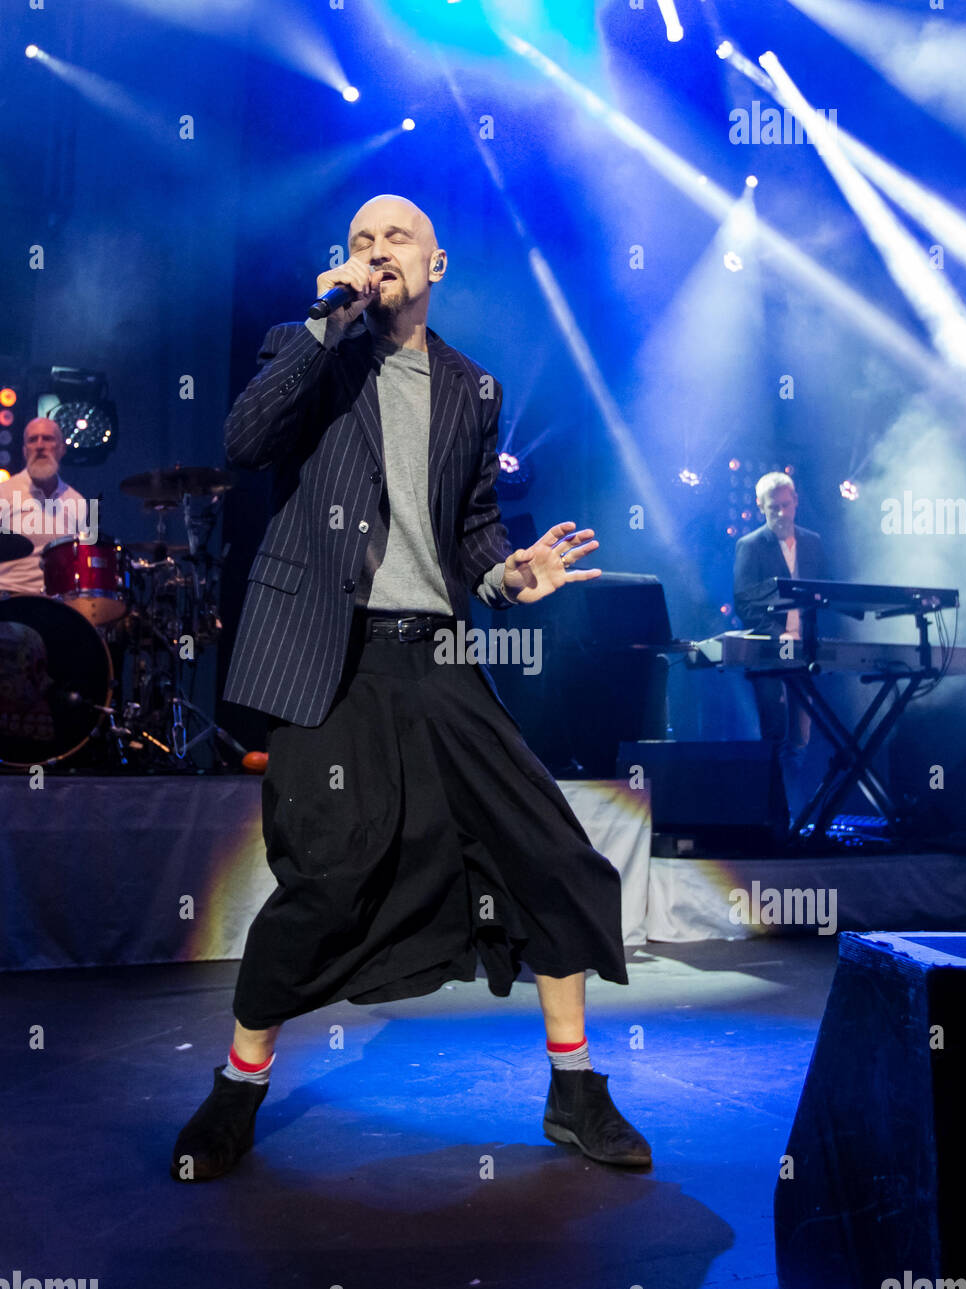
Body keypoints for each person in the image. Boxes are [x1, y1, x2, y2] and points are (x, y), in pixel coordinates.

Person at [170, 194, 651, 1183]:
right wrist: (321, 321)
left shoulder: (472, 388)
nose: (374, 251)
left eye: (394, 239)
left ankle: (573, 1087)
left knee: (548, 849)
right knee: (329, 874)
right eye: (357, 241)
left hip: (435, 653)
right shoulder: (310, 352)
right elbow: (246, 442)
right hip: (330, 652)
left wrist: (510, 575)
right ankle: (238, 1085)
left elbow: (469, 531)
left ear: (435, 265)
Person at [733, 471, 826, 808]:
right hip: (771, 653)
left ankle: (795, 812)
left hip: (805, 651)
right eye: (774, 508)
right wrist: (780, 634)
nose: (782, 514)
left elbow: (825, 592)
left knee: (801, 739)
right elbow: (744, 601)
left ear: (796, 501)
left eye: (786, 506)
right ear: (760, 506)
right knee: (774, 736)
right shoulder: (751, 546)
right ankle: (775, 813)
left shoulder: (812, 541)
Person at [0, 418, 91, 597]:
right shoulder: (3, 493)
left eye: (48, 439)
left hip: (58, 603)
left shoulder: (77, 501)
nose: (40, 446)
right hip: (8, 601)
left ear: (62, 449)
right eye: (32, 440)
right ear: (25, 451)